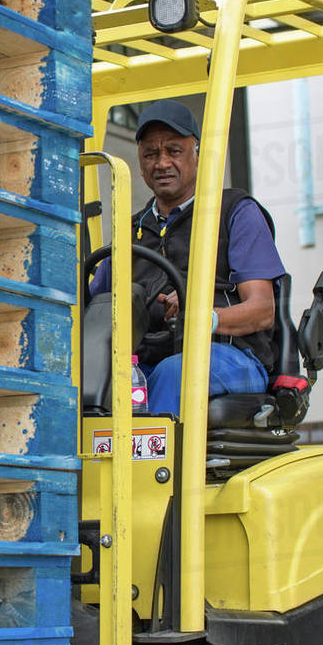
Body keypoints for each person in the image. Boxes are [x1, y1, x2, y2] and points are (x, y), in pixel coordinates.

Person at [88, 99, 285, 415]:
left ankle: (160, 465)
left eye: (174, 151)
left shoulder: (234, 212)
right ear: (139, 162)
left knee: (174, 373)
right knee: (93, 381)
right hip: (150, 359)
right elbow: (95, 303)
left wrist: (202, 317)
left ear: (197, 153)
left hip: (230, 355)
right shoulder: (132, 230)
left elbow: (262, 310)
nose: (162, 163)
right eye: (151, 154)